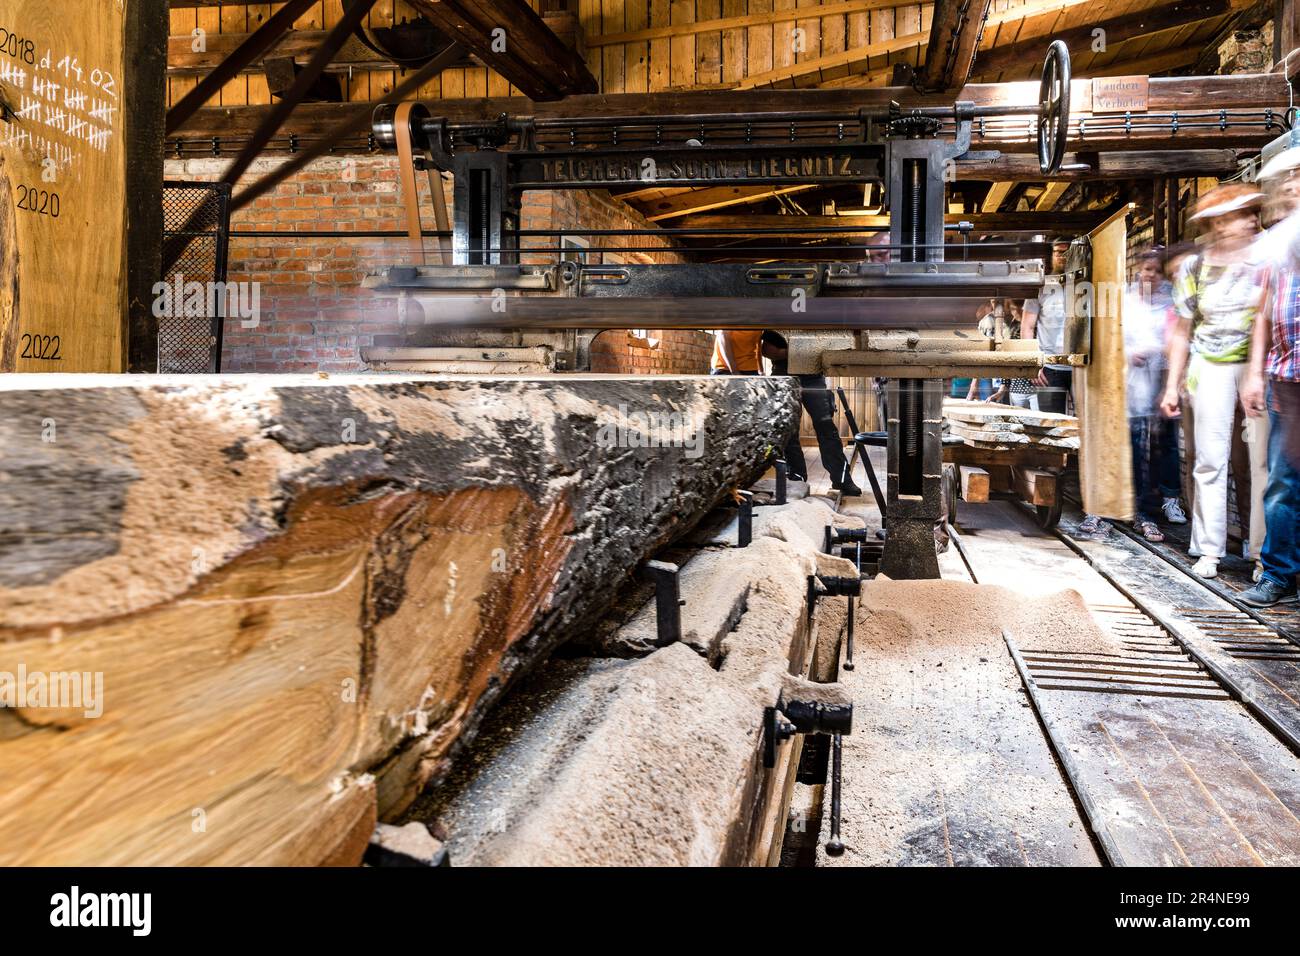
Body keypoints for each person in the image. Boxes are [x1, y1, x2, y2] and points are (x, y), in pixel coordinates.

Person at [1161, 184, 1268, 579]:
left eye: (1249, 213)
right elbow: (1182, 330)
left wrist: (1256, 372)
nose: (1250, 220)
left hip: (1259, 364)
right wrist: (1172, 385)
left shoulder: (1267, 258)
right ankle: (1209, 549)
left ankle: (1261, 553)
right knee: (1209, 458)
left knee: (1260, 462)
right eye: (1239, 215)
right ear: (1218, 223)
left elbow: (1267, 318)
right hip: (1209, 364)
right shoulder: (1196, 266)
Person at [1240, 147, 1300, 605]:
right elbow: (1261, 313)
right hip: (1288, 375)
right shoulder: (1276, 242)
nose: (1293, 186)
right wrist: (1255, 374)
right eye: (1289, 180)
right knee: (1285, 478)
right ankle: (1279, 574)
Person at [1124, 248, 1182, 541]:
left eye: (1156, 271)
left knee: (1158, 450)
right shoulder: (1124, 301)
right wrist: (1130, 353)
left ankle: (1151, 511)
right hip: (1131, 384)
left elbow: (1175, 339)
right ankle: (1135, 511)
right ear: (1138, 270)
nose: (1151, 275)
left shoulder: (1170, 301)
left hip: (1160, 381)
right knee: (1135, 449)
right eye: (1146, 269)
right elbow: (1113, 340)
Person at [760, 331, 861, 495]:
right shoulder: (778, 318)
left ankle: (842, 480)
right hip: (784, 374)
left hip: (813, 376)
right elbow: (767, 351)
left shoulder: (816, 319)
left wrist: (802, 351)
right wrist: (804, 351)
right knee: (789, 430)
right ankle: (796, 479)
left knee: (826, 427)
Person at [1023, 240, 1074, 414]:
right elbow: (1027, 327)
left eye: (1067, 252)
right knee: (1051, 425)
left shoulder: (1086, 285)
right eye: (1058, 252)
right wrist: (1032, 365)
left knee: (1086, 423)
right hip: (1049, 368)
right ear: (1051, 256)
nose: (1063, 257)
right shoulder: (1040, 287)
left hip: (1082, 366)